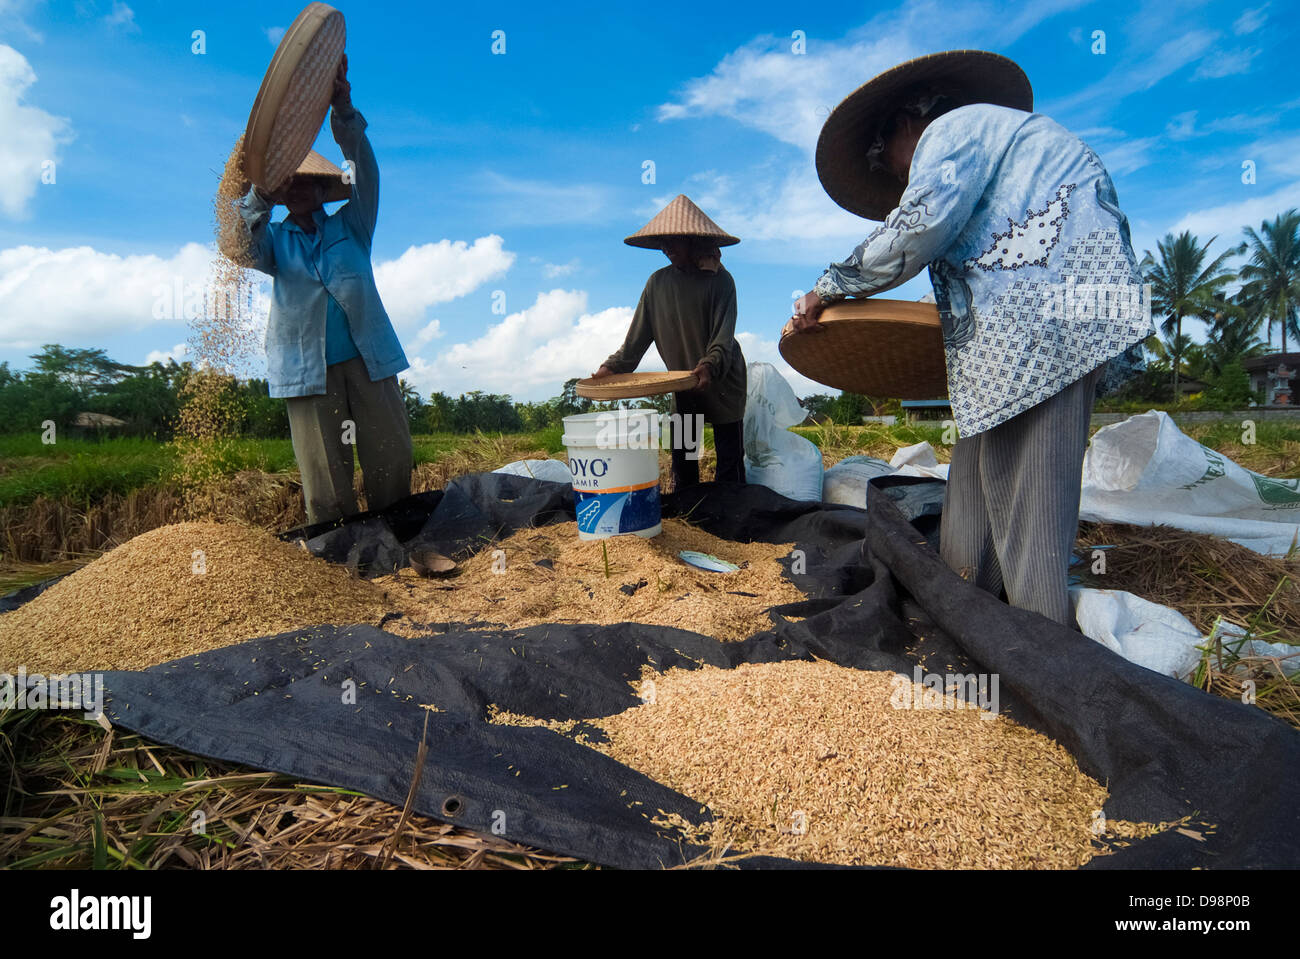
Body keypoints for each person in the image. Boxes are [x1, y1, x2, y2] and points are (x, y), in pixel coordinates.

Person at [789, 50, 1153, 627]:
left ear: (907, 123)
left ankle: (1038, 640)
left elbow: (918, 226)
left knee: (1031, 488)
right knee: (981, 466)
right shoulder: (996, 138)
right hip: (1031, 319)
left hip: (1044, 313)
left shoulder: (951, 133)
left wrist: (830, 286)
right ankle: (967, 603)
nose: (897, 176)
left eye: (888, 159)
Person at [234, 56, 412, 525]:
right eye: (287, 181)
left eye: (307, 180)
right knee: (325, 479)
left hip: (370, 362)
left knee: (390, 458)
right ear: (279, 189)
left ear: (322, 188)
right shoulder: (273, 243)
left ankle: (397, 540)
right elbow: (236, 248)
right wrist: (258, 197)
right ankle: (338, 559)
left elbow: (365, 170)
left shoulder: (352, 226)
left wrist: (344, 112)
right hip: (307, 371)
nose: (298, 188)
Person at [591, 195, 747, 491]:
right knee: (684, 453)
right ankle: (688, 509)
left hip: (723, 380)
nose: (667, 248)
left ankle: (732, 517)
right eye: (663, 242)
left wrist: (708, 366)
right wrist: (611, 368)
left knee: (729, 458)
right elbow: (635, 341)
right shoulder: (656, 284)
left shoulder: (721, 282)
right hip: (682, 384)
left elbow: (722, 338)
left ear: (693, 240)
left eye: (674, 241)